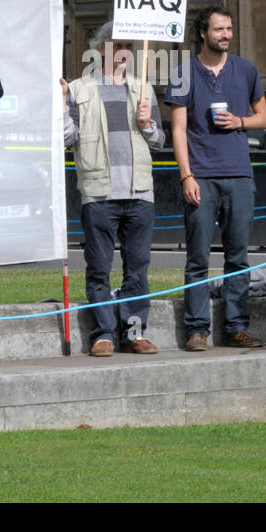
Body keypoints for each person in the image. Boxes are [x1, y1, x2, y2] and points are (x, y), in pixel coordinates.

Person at [166, 5, 266, 351]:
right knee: (197, 258)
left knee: (238, 256)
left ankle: (237, 326)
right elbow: (178, 130)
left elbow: (264, 118)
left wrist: (239, 121)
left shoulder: (246, 70)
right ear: (202, 33)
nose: (225, 35)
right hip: (201, 177)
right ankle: (198, 329)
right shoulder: (183, 73)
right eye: (219, 29)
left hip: (239, 175)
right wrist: (186, 175)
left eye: (229, 29)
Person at [61, 22, 166, 356]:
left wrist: (148, 124)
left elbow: (160, 142)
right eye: (116, 44)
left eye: (128, 46)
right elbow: (66, 139)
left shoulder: (143, 89)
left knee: (137, 269)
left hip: (139, 194)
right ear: (100, 48)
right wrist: (62, 107)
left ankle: (134, 332)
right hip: (99, 193)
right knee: (99, 268)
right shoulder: (78, 89)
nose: (124, 51)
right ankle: (103, 333)